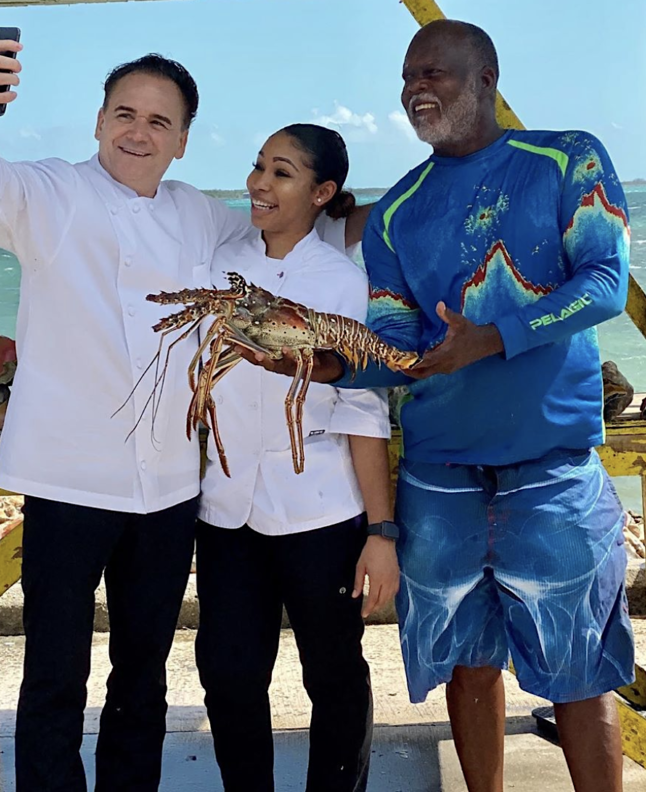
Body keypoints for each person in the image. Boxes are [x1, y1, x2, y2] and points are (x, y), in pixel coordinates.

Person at [245, 20, 635, 792]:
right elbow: (394, 338)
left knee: (582, 673)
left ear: (486, 77)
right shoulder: (397, 213)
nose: (415, 88)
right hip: (439, 472)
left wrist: (492, 339)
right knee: (467, 663)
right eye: (406, 76)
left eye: (435, 73)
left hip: (552, 464)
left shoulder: (567, 159)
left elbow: (604, 285)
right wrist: (332, 368)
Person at [0, 41, 257, 792]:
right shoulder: (55, 194)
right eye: (125, 115)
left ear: (182, 139)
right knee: (54, 676)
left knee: (142, 679)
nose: (138, 133)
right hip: (69, 482)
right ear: (100, 121)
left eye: (158, 122)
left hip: (168, 490)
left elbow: (282, 238)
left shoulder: (200, 214)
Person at [195, 124, 398, 792]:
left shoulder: (341, 283)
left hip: (322, 513)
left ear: (323, 193)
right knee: (227, 674)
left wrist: (379, 532)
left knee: (334, 674)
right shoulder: (221, 269)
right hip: (227, 513)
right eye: (258, 167)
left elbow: (364, 410)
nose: (260, 184)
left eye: (282, 173)